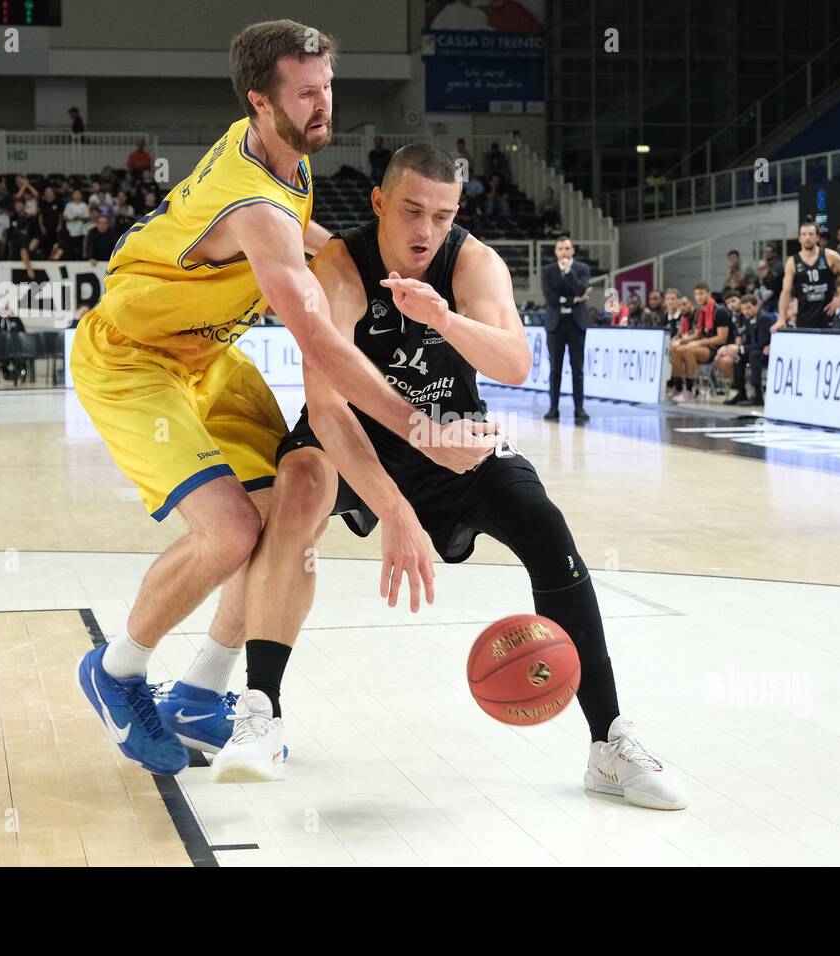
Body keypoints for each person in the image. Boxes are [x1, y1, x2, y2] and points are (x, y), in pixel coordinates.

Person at [72, 20, 497, 777]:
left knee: (290, 510)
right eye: (306, 93)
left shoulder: (283, 156)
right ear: (259, 102)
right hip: (132, 360)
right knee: (231, 531)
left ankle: (202, 688)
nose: (323, 104)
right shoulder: (256, 206)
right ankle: (118, 668)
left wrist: (360, 263)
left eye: (327, 86)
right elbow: (319, 340)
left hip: (206, 353)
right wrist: (420, 426)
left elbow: (306, 238)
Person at [208, 144, 687, 810]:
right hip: (357, 438)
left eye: (442, 214)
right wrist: (394, 511)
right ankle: (262, 714)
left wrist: (442, 317)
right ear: (379, 203)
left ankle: (608, 741)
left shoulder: (473, 262)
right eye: (410, 210)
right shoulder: (341, 268)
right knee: (299, 488)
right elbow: (324, 404)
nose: (425, 230)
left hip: (452, 439)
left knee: (546, 527)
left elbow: (517, 363)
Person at [540, 236, 592, 423]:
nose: (563, 251)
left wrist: (568, 273)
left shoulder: (582, 269)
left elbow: (581, 290)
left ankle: (579, 408)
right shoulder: (547, 270)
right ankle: (553, 408)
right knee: (555, 369)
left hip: (577, 323)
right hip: (556, 324)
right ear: (555, 251)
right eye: (560, 248)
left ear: (572, 251)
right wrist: (572, 301)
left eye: (567, 248)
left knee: (577, 369)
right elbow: (550, 297)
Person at [773, 221, 840, 331]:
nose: (807, 237)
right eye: (804, 234)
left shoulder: (829, 255)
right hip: (804, 318)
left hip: (827, 317)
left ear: (817, 237)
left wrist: (839, 299)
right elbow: (786, 291)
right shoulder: (792, 261)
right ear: (799, 238)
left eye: (811, 234)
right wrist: (781, 318)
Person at [669, 282, 731, 402]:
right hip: (704, 345)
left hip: (716, 348)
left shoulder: (719, 311)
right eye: (696, 294)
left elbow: (721, 338)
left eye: (701, 293)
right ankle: (677, 387)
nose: (698, 297)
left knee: (689, 350)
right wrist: (682, 341)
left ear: (708, 293)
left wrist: (698, 343)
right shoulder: (699, 311)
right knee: (676, 349)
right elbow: (697, 334)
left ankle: (690, 389)